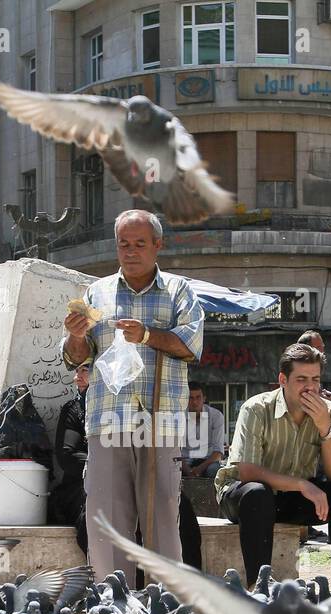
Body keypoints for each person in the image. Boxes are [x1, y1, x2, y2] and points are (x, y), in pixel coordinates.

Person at [61, 208, 204, 579]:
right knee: (107, 521)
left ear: (158, 245)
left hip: (161, 420)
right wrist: (76, 336)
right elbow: (77, 357)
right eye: (124, 243)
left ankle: (165, 607)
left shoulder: (179, 291)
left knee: (162, 518)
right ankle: (113, 603)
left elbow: (191, 347)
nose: (131, 251)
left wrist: (147, 335)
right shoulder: (97, 292)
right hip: (108, 419)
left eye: (140, 243)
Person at [215, 343, 331, 586]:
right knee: (258, 493)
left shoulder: (327, 411)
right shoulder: (256, 408)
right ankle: (260, 585)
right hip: (242, 495)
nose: (310, 387)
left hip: (291, 497)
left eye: (315, 379)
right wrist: (302, 485)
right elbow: (247, 472)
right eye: (301, 379)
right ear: (283, 380)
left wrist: (324, 430)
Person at [52, 364, 90, 553]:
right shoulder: (74, 409)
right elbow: (67, 454)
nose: (77, 377)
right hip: (81, 486)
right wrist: (106, 468)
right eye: (77, 371)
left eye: (85, 370)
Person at [181, 382, 226, 481]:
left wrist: (199, 469)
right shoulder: (179, 417)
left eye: (198, 397)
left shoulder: (216, 416)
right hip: (185, 461)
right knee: (170, 469)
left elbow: (218, 452)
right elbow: (175, 450)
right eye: (191, 398)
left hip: (208, 460)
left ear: (204, 398)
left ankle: (214, 497)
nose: (195, 402)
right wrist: (188, 471)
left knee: (215, 470)